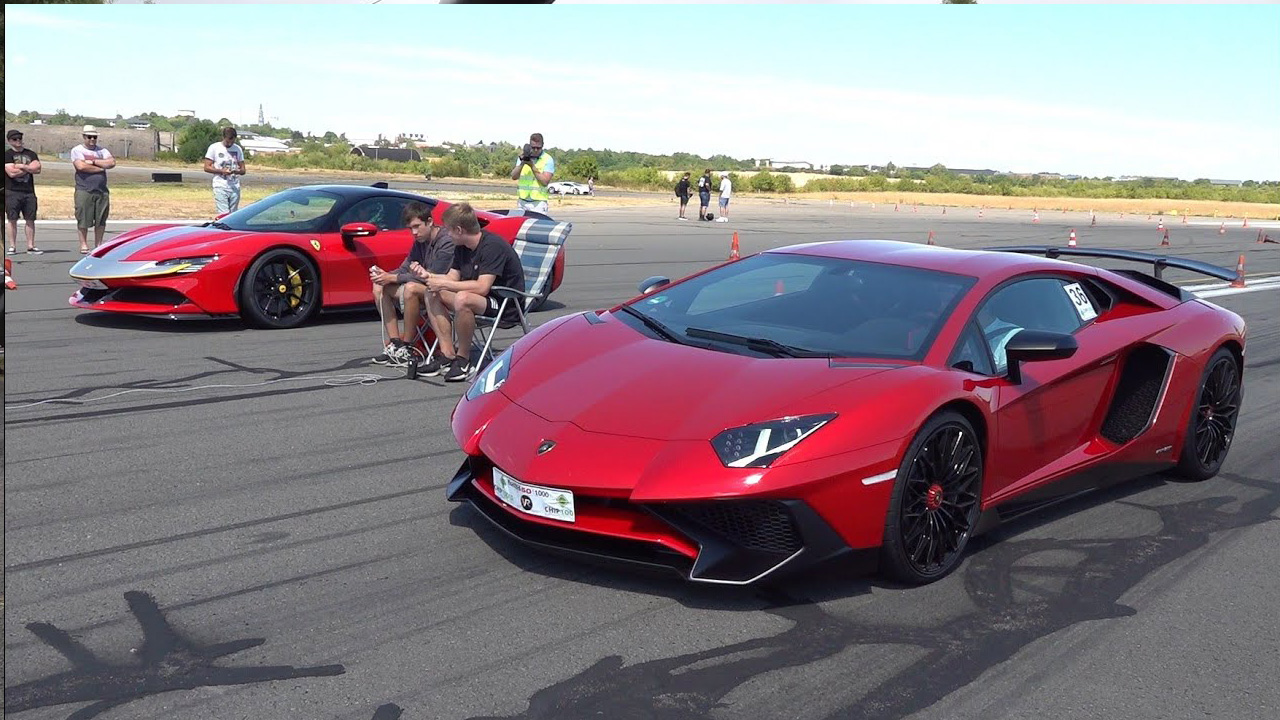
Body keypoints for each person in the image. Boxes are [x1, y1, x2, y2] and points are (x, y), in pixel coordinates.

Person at [418, 202, 526, 382]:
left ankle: (463, 361)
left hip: (504, 303)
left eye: (449, 230)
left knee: (463, 298)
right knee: (431, 292)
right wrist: (429, 277)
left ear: (459, 230)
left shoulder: (492, 246)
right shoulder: (462, 247)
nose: (447, 234)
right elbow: (452, 278)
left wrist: (444, 285)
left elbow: (482, 287)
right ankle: (447, 354)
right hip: (480, 299)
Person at [369, 202, 455, 366]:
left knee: (411, 288)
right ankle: (395, 343)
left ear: (429, 222)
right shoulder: (420, 241)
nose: (414, 233)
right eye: (410, 228)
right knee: (379, 286)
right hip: (427, 288)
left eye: (417, 226)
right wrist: (384, 275)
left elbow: (432, 276)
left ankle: (409, 346)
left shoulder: (446, 242)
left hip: (442, 290)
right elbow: (405, 267)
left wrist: (393, 278)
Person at [70, 125, 115, 254]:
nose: (92, 139)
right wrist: (101, 167)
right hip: (84, 189)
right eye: (89, 137)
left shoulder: (102, 150)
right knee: (83, 218)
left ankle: (98, 244)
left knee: (101, 219)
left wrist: (93, 162)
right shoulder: (77, 150)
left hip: (101, 190)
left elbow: (111, 163)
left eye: (94, 137)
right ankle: (83, 244)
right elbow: (81, 167)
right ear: (84, 137)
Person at [5, 129, 43, 255]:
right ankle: (12, 246)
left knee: (30, 219)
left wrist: (22, 167)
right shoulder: (7, 155)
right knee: (12, 219)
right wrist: (29, 168)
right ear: (9, 141)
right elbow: (11, 173)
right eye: (15, 139)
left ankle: (31, 246)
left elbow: (37, 168)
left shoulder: (31, 153)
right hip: (12, 191)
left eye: (20, 138)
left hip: (29, 191)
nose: (18, 141)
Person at [509, 132, 555, 215]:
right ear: (530, 145)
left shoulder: (547, 159)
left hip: (538, 203)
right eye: (533, 148)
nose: (536, 150)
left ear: (543, 145)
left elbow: (545, 182)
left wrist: (532, 166)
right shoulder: (523, 157)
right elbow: (514, 176)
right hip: (522, 201)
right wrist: (523, 162)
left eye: (538, 148)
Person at [203, 126, 246, 214]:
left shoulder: (238, 149)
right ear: (223, 138)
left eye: (232, 141)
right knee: (224, 213)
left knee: (233, 214)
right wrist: (221, 171)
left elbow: (243, 170)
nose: (230, 144)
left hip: (234, 186)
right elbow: (207, 167)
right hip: (220, 185)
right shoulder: (214, 148)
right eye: (228, 141)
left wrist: (236, 171)